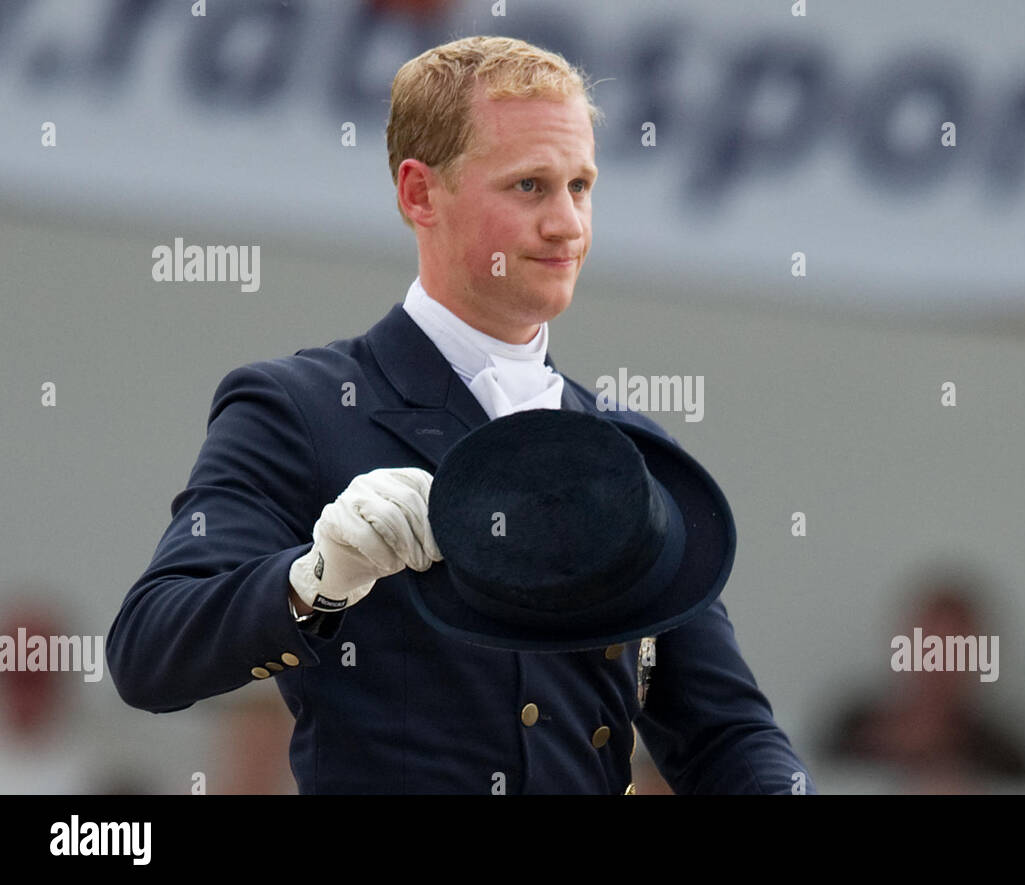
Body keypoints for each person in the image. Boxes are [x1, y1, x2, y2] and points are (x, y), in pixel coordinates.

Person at [106, 35, 812, 795]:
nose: (567, 225)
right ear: (419, 193)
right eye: (529, 187)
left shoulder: (630, 451)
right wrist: (314, 579)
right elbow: (149, 651)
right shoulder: (301, 407)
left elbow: (728, 733)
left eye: (581, 185)